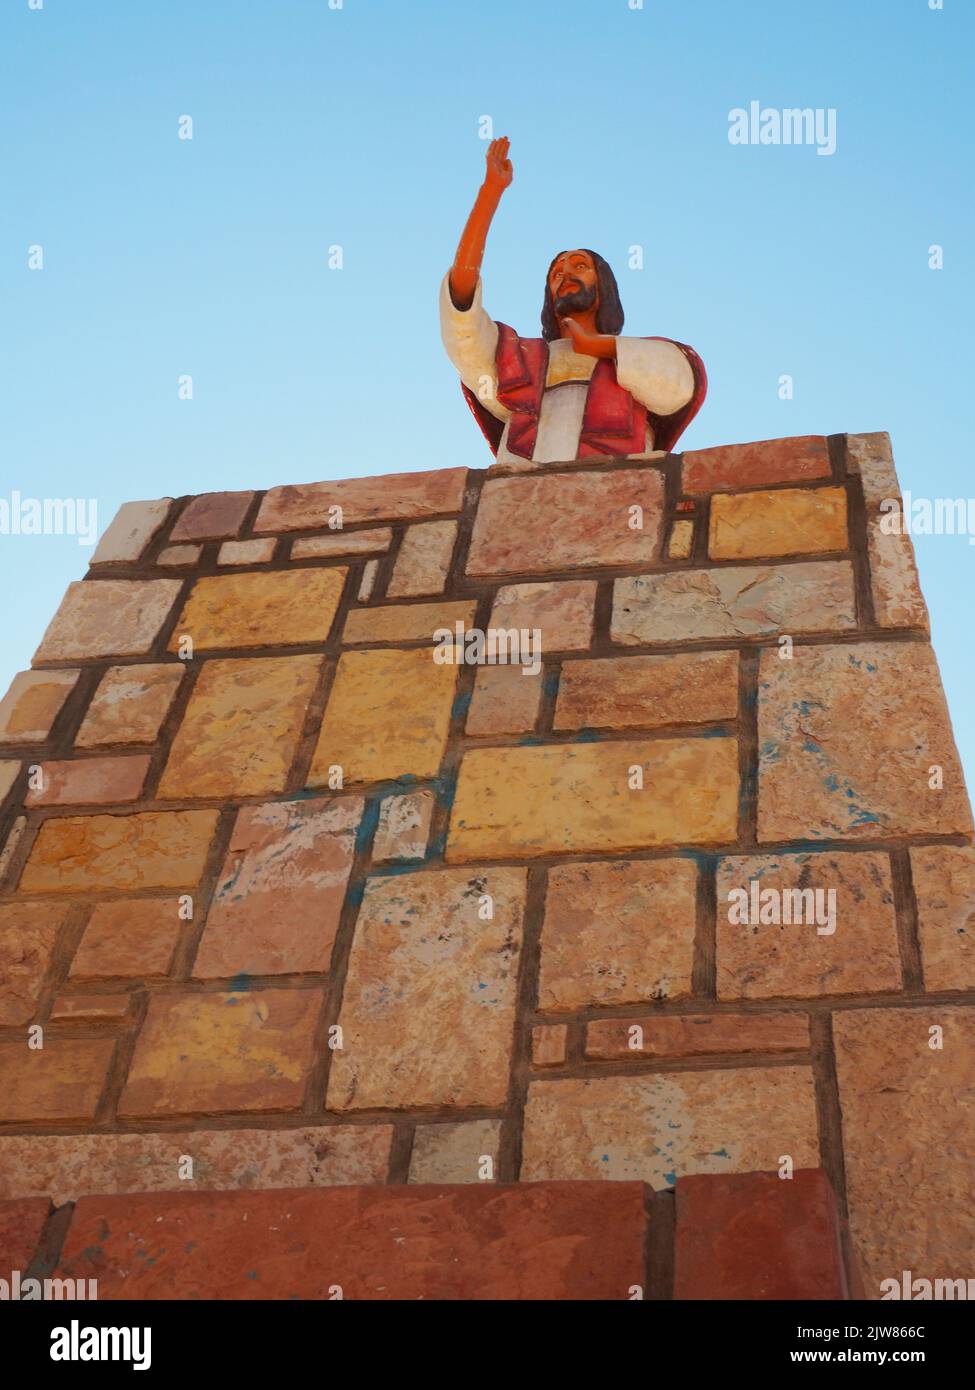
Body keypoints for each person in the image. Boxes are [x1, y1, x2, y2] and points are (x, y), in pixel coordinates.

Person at [441, 136, 707, 465]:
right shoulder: (524, 359)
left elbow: (679, 386)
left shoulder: (636, 359)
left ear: (603, 284)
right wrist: (489, 195)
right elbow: (462, 325)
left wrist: (598, 347)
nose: (566, 274)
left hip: (616, 494)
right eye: (556, 273)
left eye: (580, 266)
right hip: (519, 498)